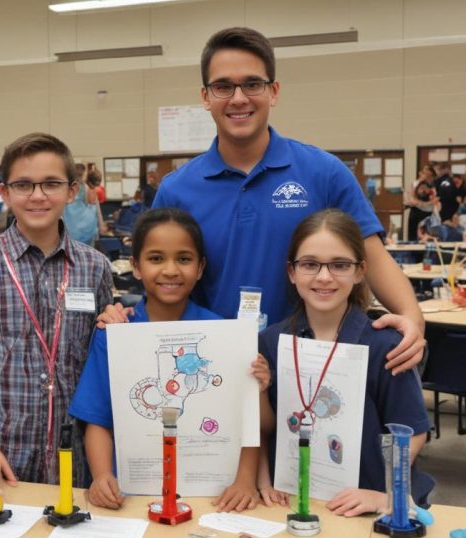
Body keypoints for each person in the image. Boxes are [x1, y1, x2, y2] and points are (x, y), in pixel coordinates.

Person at [125, 27, 422, 374]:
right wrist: (124, 314)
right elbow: (161, 281)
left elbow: (373, 256)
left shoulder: (323, 173)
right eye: (223, 86)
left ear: (274, 91)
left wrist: (412, 318)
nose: (239, 98)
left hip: (309, 364)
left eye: (253, 84)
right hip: (212, 369)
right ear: (206, 97)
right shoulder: (177, 190)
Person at [0, 132, 113, 499]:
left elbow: (98, 365)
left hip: (74, 459)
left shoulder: (95, 268)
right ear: (4, 193)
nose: (37, 195)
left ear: (71, 191)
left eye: (51, 184)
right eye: (23, 185)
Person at [69, 208, 270, 511]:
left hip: (212, 496)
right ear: (135, 266)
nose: (171, 270)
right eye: (156, 258)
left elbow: (248, 419)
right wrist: (101, 476)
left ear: (201, 267)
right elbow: (97, 418)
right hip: (132, 496)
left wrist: (244, 480)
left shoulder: (224, 335)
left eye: (184, 259)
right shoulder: (115, 333)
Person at [257, 209, 430, 516]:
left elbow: (413, 432)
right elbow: (267, 426)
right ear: (292, 271)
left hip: (363, 504)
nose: (324, 277)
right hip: (294, 500)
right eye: (310, 264)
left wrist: (385, 496)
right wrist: (263, 478)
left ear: (360, 271)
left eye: (339, 265)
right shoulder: (272, 341)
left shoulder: (385, 345)